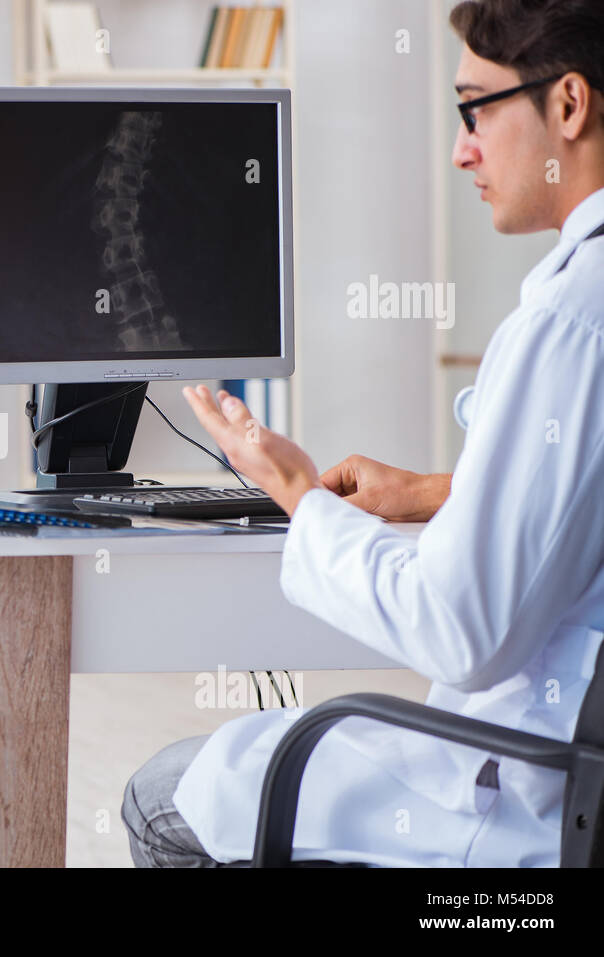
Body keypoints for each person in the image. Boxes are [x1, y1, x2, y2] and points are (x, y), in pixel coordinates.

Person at [123, 0, 604, 868]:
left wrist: (303, 499)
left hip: (532, 803)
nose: (462, 148)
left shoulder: (572, 322)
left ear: (568, 105)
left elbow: (464, 630)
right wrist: (433, 493)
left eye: (476, 109)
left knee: (163, 798)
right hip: (565, 776)